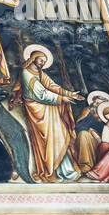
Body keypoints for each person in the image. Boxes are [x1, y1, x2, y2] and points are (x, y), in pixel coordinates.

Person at [17, 45, 82, 181]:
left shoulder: (40, 73)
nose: (42, 63)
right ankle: (51, 170)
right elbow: (41, 94)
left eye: (44, 62)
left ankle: (64, 170)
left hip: (49, 109)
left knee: (59, 135)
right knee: (49, 140)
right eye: (41, 60)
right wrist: (61, 99)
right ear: (34, 58)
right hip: (38, 111)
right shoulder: (26, 74)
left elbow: (52, 86)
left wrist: (70, 94)